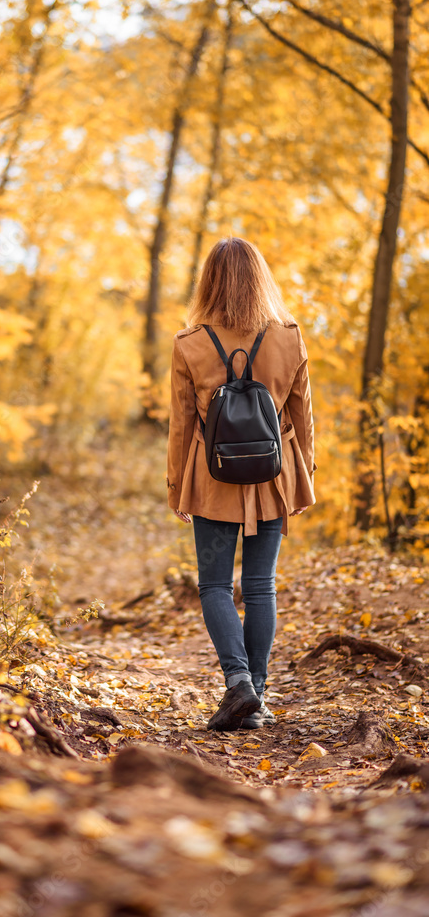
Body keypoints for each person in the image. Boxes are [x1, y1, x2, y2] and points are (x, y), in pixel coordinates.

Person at [167, 236, 316, 731]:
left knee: (213, 584)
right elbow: (303, 418)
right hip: (274, 478)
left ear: (209, 280)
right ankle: (259, 694)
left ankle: (239, 685)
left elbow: (182, 425)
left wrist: (175, 486)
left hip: (213, 480)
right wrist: (303, 479)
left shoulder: (190, 344)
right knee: (260, 586)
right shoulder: (289, 337)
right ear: (259, 278)